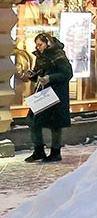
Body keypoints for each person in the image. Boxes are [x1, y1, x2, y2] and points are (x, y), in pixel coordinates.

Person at [20, 33, 72, 163]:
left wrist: (50, 78)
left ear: (48, 43)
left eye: (40, 44)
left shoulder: (58, 55)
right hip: (44, 93)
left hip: (56, 94)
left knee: (55, 125)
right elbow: (39, 72)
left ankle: (55, 152)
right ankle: (39, 150)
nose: (38, 48)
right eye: (36, 45)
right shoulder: (40, 56)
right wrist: (31, 75)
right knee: (33, 121)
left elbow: (67, 74)